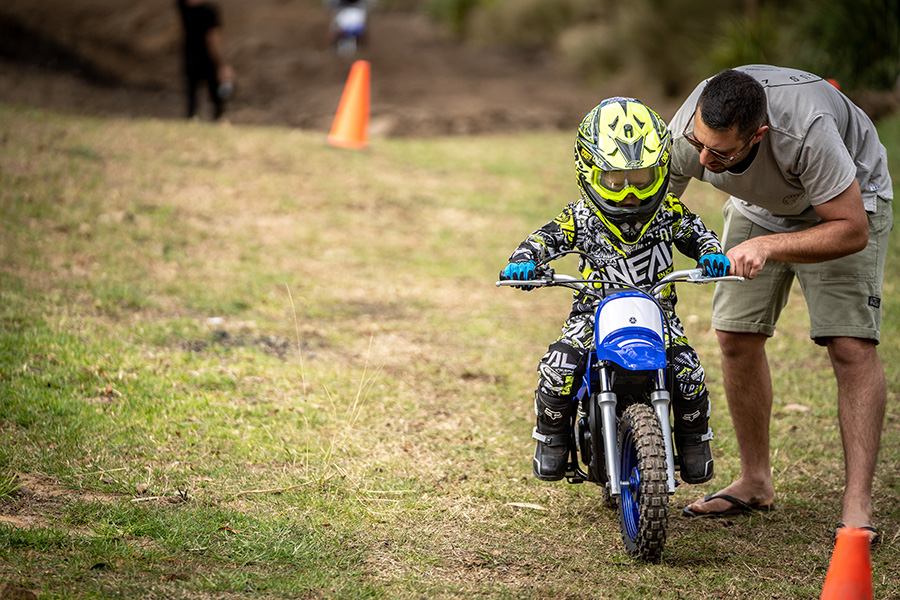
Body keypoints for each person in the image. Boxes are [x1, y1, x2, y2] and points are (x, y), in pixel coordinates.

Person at [667, 65, 892, 543]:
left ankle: (857, 504)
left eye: (721, 153)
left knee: (849, 345)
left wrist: (769, 247)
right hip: (758, 207)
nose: (704, 161)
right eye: (699, 143)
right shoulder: (695, 121)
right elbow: (656, 201)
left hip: (845, 206)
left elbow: (851, 229)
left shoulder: (806, 132)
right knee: (735, 335)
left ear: (758, 136)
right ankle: (755, 481)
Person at [499, 98, 732, 484]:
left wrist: (712, 255)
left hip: (658, 314)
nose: (630, 193)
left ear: (660, 170)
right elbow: (544, 238)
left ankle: (694, 440)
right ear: (589, 172)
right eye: (615, 181)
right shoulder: (581, 216)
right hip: (592, 314)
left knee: (689, 374)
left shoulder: (669, 211)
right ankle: (552, 439)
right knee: (557, 371)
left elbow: (699, 235)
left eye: (642, 180)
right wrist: (525, 261)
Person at [176, 0, 235, 120]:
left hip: (190, 56)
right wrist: (222, 65)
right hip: (208, 58)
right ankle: (218, 120)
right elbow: (213, 40)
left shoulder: (183, 6)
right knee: (217, 99)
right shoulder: (208, 11)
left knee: (192, 97)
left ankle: (192, 119)